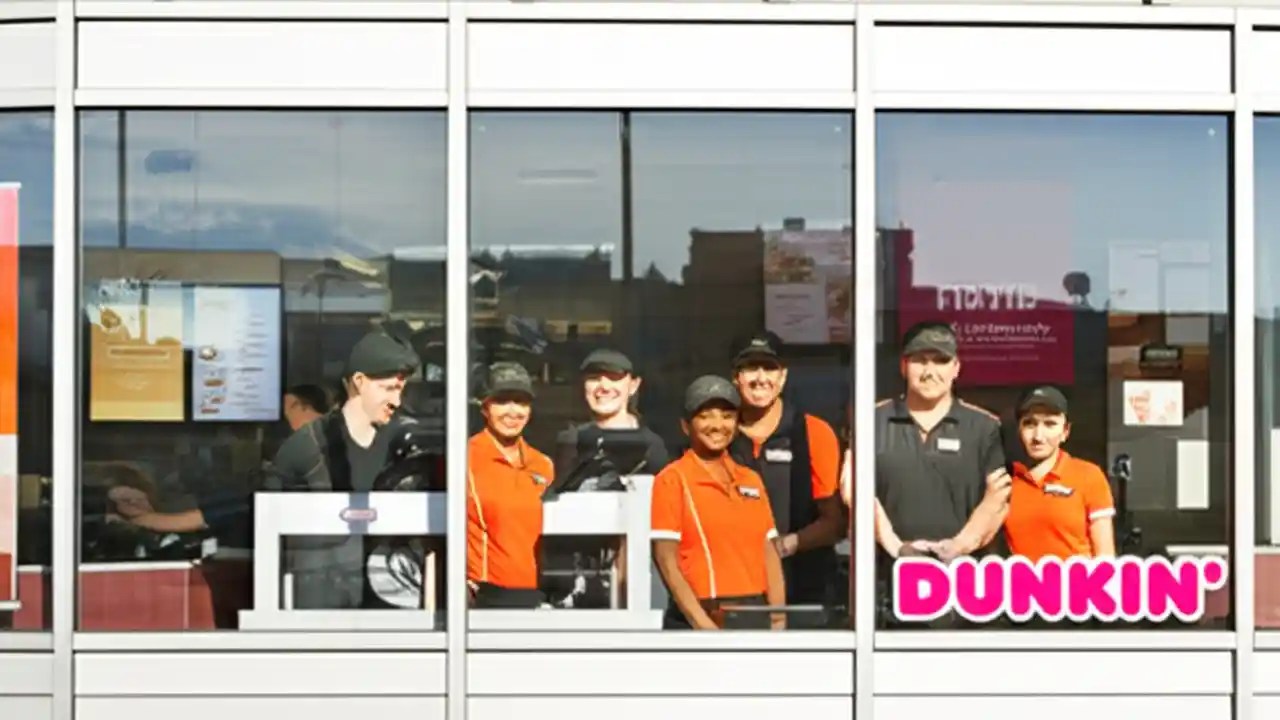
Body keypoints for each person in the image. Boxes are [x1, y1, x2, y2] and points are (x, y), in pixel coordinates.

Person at [264, 331, 421, 609]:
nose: (397, 401)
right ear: (359, 382)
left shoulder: (405, 440)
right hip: (320, 598)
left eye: (401, 390)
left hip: (391, 597)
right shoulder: (308, 446)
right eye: (389, 389)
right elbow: (267, 522)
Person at [874, 321, 1011, 626]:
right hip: (890, 588)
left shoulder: (984, 427)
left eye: (940, 361)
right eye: (920, 361)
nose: (929, 371)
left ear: (956, 368)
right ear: (903, 365)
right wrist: (897, 548)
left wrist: (959, 546)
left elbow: (998, 500)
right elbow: (855, 492)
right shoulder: (872, 421)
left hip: (965, 594)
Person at [651, 375, 786, 630]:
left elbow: (768, 551)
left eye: (727, 416)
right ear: (685, 425)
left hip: (753, 614)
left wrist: (778, 619)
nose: (717, 424)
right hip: (701, 616)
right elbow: (666, 560)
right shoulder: (672, 479)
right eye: (706, 415)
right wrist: (703, 626)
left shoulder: (750, 479)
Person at [726, 332, 844, 618]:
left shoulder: (813, 432)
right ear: (735, 377)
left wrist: (787, 545)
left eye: (769, 368)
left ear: (783, 376)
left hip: (803, 590)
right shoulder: (720, 435)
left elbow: (835, 522)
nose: (760, 377)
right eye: (750, 368)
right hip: (734, 589)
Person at [546, 349, 670, 609]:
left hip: (636, 585)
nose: (603, 387)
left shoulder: (654, 447)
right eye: (594, 378)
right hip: (571, 584)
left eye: (613, 378)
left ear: (633, 385)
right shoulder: (569, 441)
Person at [467, 362, 554, 609]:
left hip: (533, 596)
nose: (513, 411)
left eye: (521, 402)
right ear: (485, 406)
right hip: (481, 596)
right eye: (503, 401)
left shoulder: (543, 463)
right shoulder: (463, 459)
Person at [1004, 385, 1116, 561]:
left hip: (1079, 587)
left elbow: (1105, 557)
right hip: (1023, 587)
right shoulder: (1005, 480)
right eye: (1029, 423)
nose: (1038, 436)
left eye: (1050, 424)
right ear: (1019, 429)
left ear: (1065, 432)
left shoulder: (1088, 475)